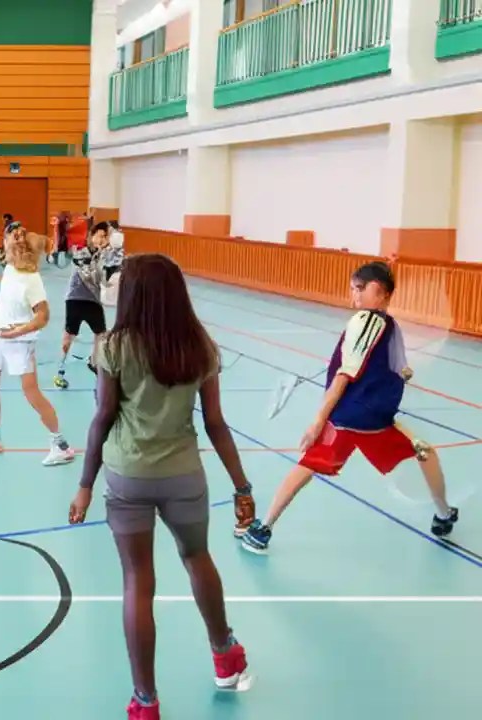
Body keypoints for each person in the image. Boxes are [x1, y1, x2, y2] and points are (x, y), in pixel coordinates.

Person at [69, 253, 255, 720]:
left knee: (137, 582)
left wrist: (85, 484)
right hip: (183, 477)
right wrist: (241, 485)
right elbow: (215, 423)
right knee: (198, 559)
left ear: (131, 295)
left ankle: (145, 702)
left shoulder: (111, 347)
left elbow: (102, 417)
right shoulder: (200, 346)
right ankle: (225, 651)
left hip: (127, 477)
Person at [241, 261, 459, 553]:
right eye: (352, 289)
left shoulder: (372, 322)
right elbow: (383, 369)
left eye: (359, 288)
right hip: (371, 419)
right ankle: (444, 514)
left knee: (307, 465)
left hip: (353, 416)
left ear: (381, 293)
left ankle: (262, 529)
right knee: (423, 451)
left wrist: (320, 418)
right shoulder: (379, 323)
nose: (354, 296)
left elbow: (358, 373)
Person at [0, 222, 75, 466]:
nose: (3, 245)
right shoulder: (10, 269)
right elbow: (6, 286)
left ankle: (61, 445)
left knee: (31, 392)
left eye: (7, 242)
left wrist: (17, 331)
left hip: (20, 342)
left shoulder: (32, 281)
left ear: (17, 249)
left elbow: (43, 317)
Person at [54, 222, 111, 389]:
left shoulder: (105, 256)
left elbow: (105, 281)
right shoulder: (80, 253)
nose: (102, 240)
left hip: (94, 300)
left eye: (105, 236)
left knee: (101, 335)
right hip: (75, 298)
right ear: (91, 236)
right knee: (68, 337)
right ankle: (60, 370)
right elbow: (91, 277)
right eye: (99, 236)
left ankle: (94, 362)